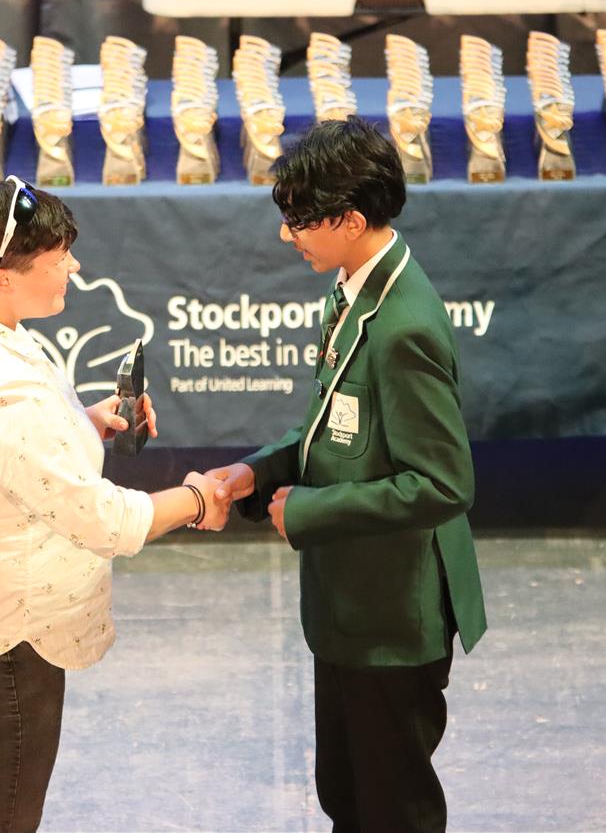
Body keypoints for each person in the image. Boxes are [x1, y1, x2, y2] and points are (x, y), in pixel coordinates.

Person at [0, 177, 230, 832]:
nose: (73, 266)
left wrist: (83, 420)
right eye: (56, 258)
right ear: (1, 277)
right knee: (2, 820)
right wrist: (194, 498)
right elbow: (104, 521)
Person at [204, 117, 488, 832]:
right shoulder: (354, 286)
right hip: (352, 606)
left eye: (299, 220)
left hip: (395, 615)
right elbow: (334, 425)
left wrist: (306, 512)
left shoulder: (403, 326)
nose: (285, 234)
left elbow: (443, 484)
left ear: (351, 219)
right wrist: (255, 472)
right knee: (346, 795)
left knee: (392, 808)